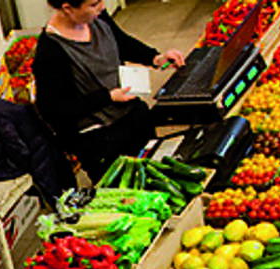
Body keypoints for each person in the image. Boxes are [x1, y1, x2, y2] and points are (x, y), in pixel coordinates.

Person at [33, 0, 185, 181]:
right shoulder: (50, 53)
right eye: (94, 4)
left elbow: (120, 41)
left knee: (160, 177)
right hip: (102, 142)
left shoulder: (95, 17)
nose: (102, 7)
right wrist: (108, 97)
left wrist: (155, 58)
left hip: (135, 118)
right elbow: (53, 110)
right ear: (67, 8)